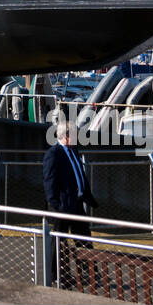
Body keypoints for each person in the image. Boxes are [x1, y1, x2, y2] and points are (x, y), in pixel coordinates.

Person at [43, 119, 99, 287]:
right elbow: (49, 180)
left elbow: (78, 173)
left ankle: (90, 273)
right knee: (59, 242)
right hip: (62, 206)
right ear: (65, 136)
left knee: (84, 239)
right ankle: (57, 275)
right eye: (74, 135)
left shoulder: (73, 150)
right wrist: (55, 204)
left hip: (76, 203)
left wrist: (86, 194)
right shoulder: (53, 154)